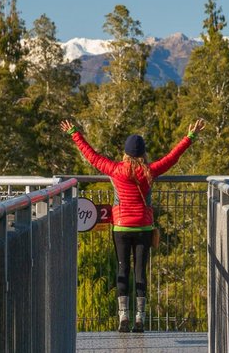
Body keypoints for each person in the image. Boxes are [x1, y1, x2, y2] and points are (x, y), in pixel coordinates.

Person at [60, 117, 206, 333]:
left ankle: (123, 318)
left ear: (126, 153)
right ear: (143, 153)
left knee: (122, 270)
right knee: (140, 272)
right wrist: (190, 136)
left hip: (121, 227)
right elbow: (172, 157)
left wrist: (74, 133)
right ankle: (140, 319)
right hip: (144, 228)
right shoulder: (150, 171)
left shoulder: (115, 169)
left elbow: (91, 156)